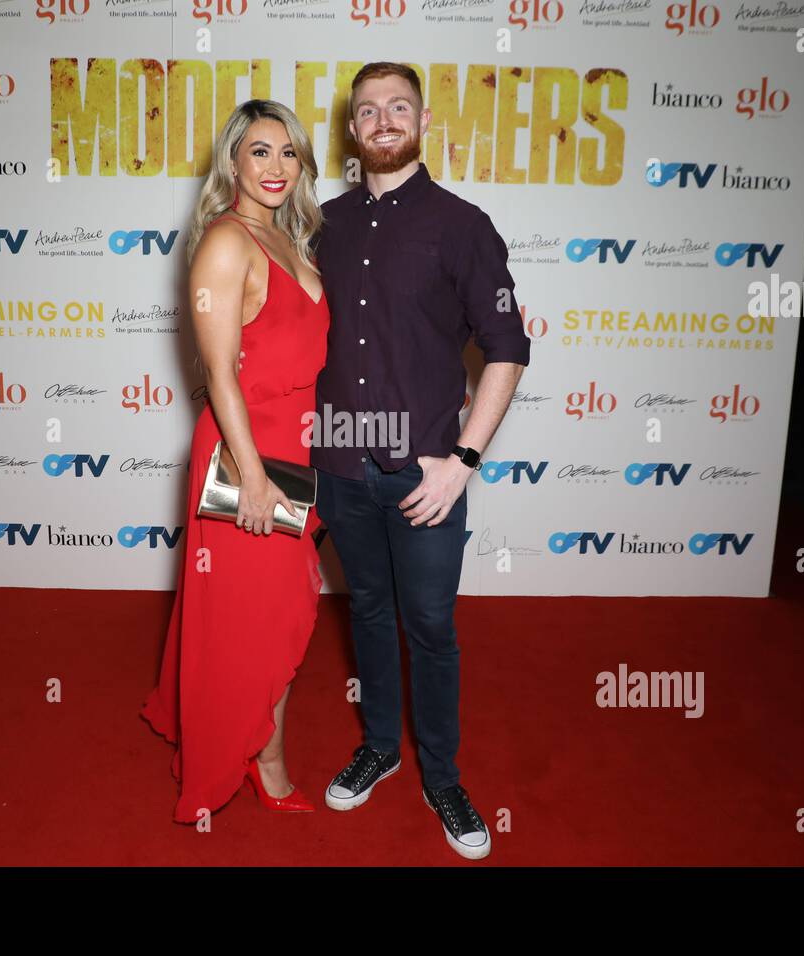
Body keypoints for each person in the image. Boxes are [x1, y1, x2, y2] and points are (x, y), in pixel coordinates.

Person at [312, 63, 530, 859]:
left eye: (397, 106)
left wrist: (463, 459)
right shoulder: (319, 224)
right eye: (367, 110)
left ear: (423, 120)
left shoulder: (463, 224)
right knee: (366, 610)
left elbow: (507, 347)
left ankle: (442, 775)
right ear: (352, 129)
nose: (382, 119)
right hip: (338, 466)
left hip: (424, 474)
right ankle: (381, 745)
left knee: (430, 627)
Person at [141, 99, 330, 823]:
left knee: (278, 611)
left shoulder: (289, 239)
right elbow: (219, 373)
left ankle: (256, 744)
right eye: (259, 151)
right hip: (247, 453)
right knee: (261, 618)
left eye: (288, 153)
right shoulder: (226, 243)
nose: (276, 167)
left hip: (298, 446)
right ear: (232, 162)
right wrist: (251, 476)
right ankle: (259, 760)